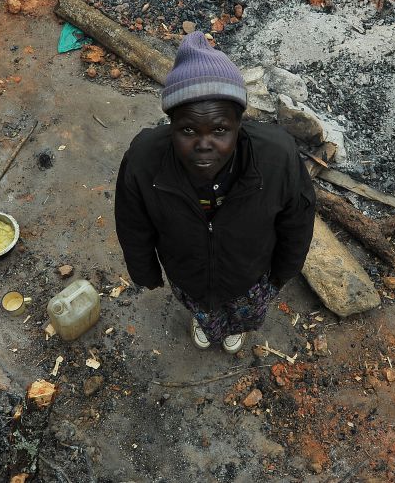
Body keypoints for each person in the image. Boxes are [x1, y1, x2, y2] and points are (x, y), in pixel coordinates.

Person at [114, 31, 316, 353]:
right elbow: (131, 222)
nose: (204, 145)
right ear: (171, 124)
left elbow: (298, 220)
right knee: (203, 309)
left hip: (249, 276)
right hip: (188, 276)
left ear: (240, 123)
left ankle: (236, 327)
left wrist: (282, 273)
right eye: (188, 130)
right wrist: (145, 271)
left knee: (245, 312)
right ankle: (206, 322)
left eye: (220, 130)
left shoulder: (276, 158)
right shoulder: (144, 160)